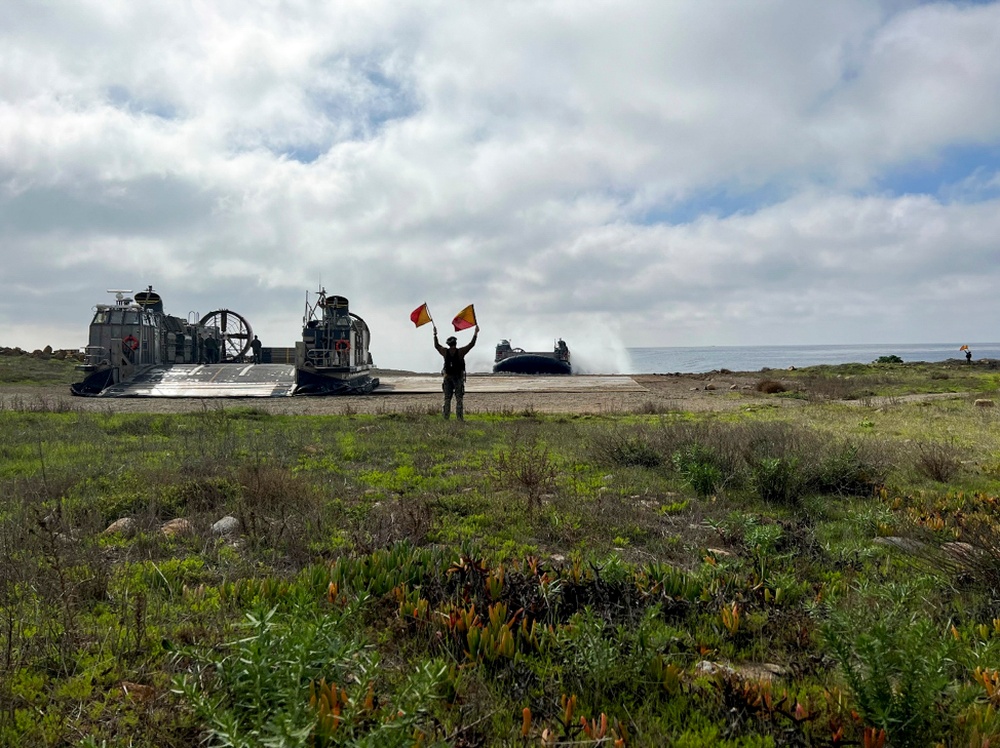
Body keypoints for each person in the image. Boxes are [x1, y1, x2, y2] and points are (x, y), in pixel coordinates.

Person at [434, 324, 479, 420]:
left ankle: (446, 418)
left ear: (448, 344)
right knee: (459, 399)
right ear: (455, 343)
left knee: (447, 399)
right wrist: (475, 333)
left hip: (447, 378)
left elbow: (437, 346)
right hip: (458, 378)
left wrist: (435, 335)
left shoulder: (445, 352)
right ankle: (459, 419)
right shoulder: (461, 352)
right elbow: (471, 344)